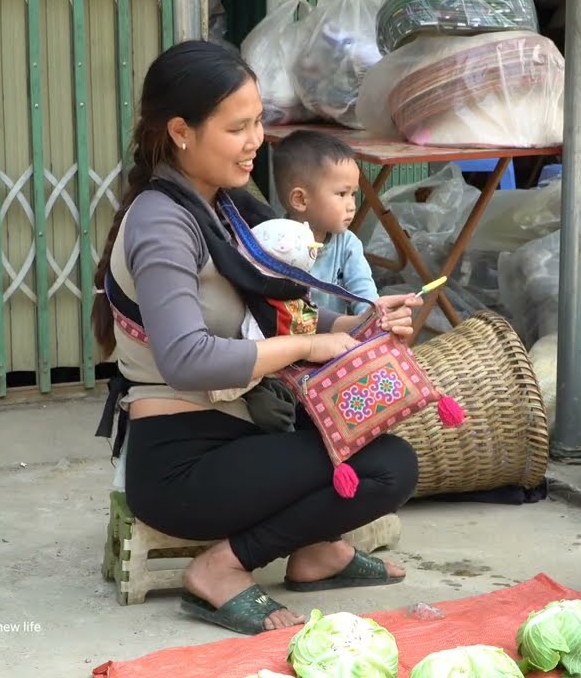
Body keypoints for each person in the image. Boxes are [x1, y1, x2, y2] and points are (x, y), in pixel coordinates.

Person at [90, 40, 422, 636]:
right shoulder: (161, 221)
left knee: (388, 454)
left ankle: (316, 551)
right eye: (236, 127)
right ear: (181, 132)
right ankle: (222, 568)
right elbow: (187, 359)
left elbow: (278, 320)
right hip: (181, 463)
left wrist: (361, 324)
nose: (255, 141)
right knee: (387, 468)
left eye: (258, 122)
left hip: (236, 433)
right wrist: (307, 347)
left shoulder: (224, 209)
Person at [271, 129, 379, 316]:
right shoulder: (275, 244)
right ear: (301, 200)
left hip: (337, 336)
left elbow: (364, 293)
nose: (352, 206)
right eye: (341, 194)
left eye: (353, 194)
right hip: (288, 340)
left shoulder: (347, 244)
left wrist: (375, 316)